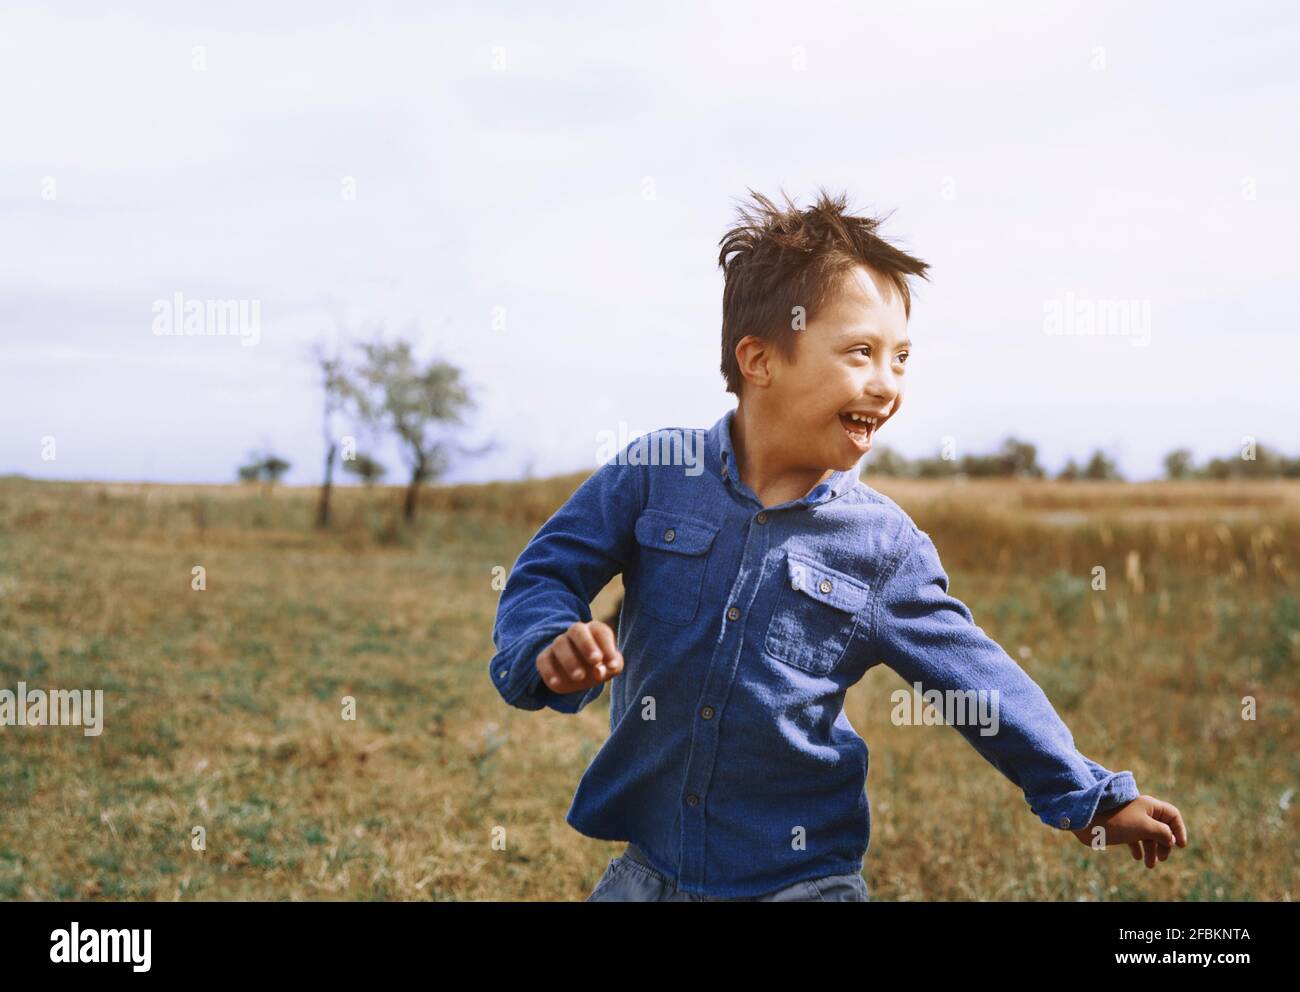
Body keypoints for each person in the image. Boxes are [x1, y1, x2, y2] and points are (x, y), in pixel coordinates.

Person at [488, 186, 1187, 901]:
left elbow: (978, 680)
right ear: (760, 360)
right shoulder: (655, 472)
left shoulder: (883, 546)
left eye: (902, 359)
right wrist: (547, 646)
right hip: (653, 872)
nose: (886, 385)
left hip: (799, 880)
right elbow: (546, 572)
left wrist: (1091, 797)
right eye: (861, 352)